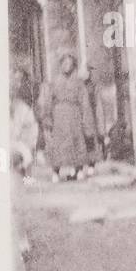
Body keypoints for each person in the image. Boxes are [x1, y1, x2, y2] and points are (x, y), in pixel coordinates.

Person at [44, 52, 96, 181]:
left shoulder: (79, 83)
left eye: (70, 63)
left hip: (74, 115)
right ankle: (56, 172)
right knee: (58, 144)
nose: (67, 66)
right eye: (64, 63)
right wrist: (48, 119)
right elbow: (48, 101)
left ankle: (78, 170)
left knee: (76, 142)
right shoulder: (54, 82)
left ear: (73, 65)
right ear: (60, 65)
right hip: (59, 116)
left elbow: (84, 103)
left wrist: (86, 120)